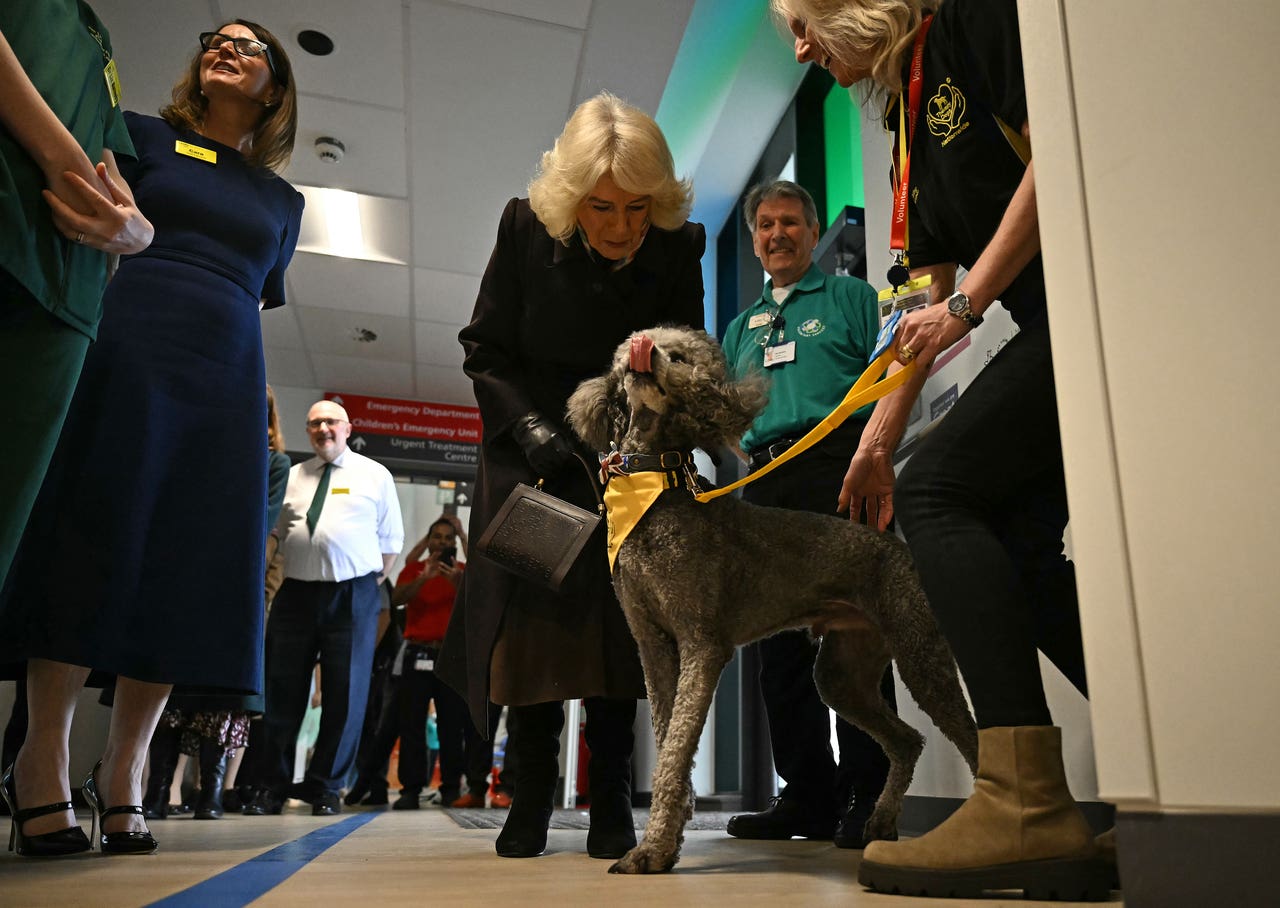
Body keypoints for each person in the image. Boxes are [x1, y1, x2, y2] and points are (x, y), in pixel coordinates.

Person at [774, 0, 1107, 898]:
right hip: (1056, 320)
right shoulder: (905, 116)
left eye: (803, 21)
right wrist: (878, 432)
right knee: (1021, 546)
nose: (800, 47)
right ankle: (1152, 769)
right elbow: (925, 282)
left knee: (939, 497)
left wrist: (963, 309)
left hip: (1102, 298)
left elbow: (1058, 165)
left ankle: (1025, 802)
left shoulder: (973, 19)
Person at [0, 18, 300, 857]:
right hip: (130, 337)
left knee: (185, 559)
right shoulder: (139, 137)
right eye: (216, 36)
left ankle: (125, 772)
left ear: (273, 89)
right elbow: (88, 213)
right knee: (92, 531)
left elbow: (258, 292)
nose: (225, 46)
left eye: (249, 46)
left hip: (229, 370)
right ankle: (42, 758)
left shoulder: (284, 201)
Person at [437, 91, 706, 860]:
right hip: (533, 454)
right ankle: (529, 792)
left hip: (628, 457)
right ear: (570, 201)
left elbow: (685, 354)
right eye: (602, 208)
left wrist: (655, 413)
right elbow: (485, 348)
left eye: (636, 208)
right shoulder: (524, 227)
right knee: (535, 632)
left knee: (625, 630)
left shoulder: (679, 244)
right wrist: (531, 428)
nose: (622, 228)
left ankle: (612, 797)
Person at [719, 180, 896, 848]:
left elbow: (889, 380)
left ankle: (869, 794)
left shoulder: (854, 298)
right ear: (755, 237)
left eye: (789, 223)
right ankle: (808, 796)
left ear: (813, 231)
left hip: (839, 474)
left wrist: (871, 457)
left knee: (854, 638)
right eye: (764, 225)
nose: (776, 235)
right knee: (779, 651)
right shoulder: (740, 327)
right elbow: (730, 415)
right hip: (765, 486)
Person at [1, 0, 153, 592]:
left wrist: (137, 234)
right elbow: (80, 166)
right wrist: (60, 158)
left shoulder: (96, 38)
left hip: (66, 296)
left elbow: (109, 177)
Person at [245, 400, 404, 818]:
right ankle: (271, 787)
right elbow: (274, 532)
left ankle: (326, 787)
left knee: (346, 695)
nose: (322, 429)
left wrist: (362, 582)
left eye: (330, 421)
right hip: (295, 593)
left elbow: (390, 544)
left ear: (347, 428)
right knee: (280, 693)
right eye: (314, 423)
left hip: (353, 595)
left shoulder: (375, 475)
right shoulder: (293, 475)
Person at [141, 384, 292, 821]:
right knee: (173, 694)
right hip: (184, 580)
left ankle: (211, 795)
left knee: (219, 697)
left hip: (232, 583)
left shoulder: (274, 462)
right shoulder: (205, 447)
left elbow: (262, 519)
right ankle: (156, 794)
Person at [383, 517, 467, 810]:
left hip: (450, 656)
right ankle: (411, 789)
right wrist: (423, 578)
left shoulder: (463, 572)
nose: (443, 542)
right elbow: (397, 599)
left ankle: (451, 787)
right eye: (438, 536)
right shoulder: (415, 569)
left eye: (448, 537)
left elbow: (478, 600)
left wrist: (457, 580)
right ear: (428, 540)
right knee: (412, 725)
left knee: (451, 725)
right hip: (417, 654)